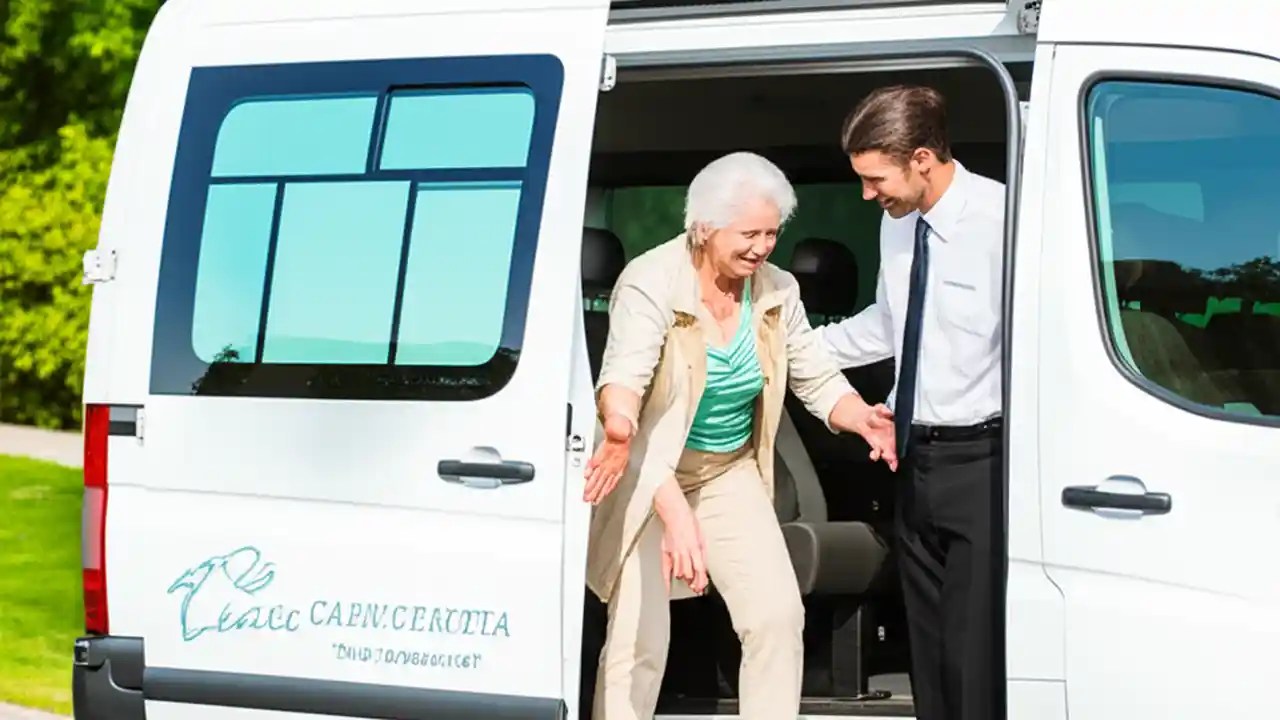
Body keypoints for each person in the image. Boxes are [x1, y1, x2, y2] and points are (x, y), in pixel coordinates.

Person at [581, 151, 899, 720]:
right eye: (748, 233)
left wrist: (860, 417)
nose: (762, 247)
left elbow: (813, 372)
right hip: (651, 470)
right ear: (704, 227)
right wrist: (620, 430)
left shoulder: (777, 288)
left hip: (727, 471)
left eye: (772, 233)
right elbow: (623, 378)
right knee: (639, 638)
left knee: (777, 617)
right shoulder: (650, 282)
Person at [819, 85, 1006, 720]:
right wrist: (791, 349)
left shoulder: (1005, 222)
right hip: (912, 460)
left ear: (921, 158)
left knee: (973, 652)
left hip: (985, 459)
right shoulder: (897, 223)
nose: (869, 195)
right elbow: (888, 323)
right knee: (926, 648)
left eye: (875, 179)